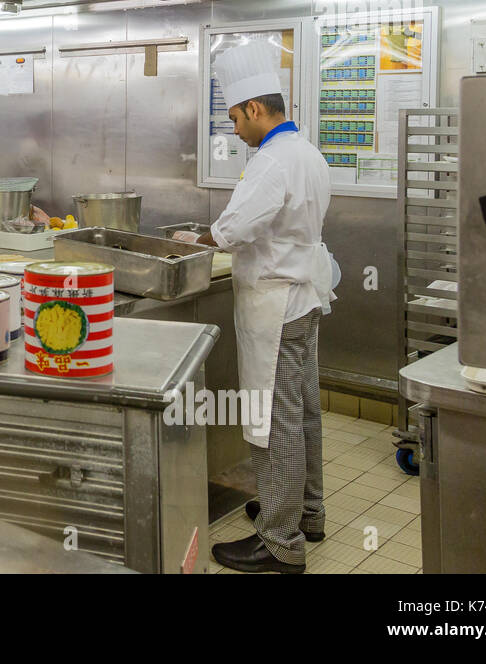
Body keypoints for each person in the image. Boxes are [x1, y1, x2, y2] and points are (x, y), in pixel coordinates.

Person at [174, 40, 335, 574]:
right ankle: (305, 511)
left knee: (275, 417)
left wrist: (195, 237)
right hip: (304, 297)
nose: (235, 129)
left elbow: (234, 228)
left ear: (256, 110)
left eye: (236, 118)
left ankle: (281, 542)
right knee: (304, 410)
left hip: (277, 303)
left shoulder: (271, 161)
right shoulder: (307, 152)